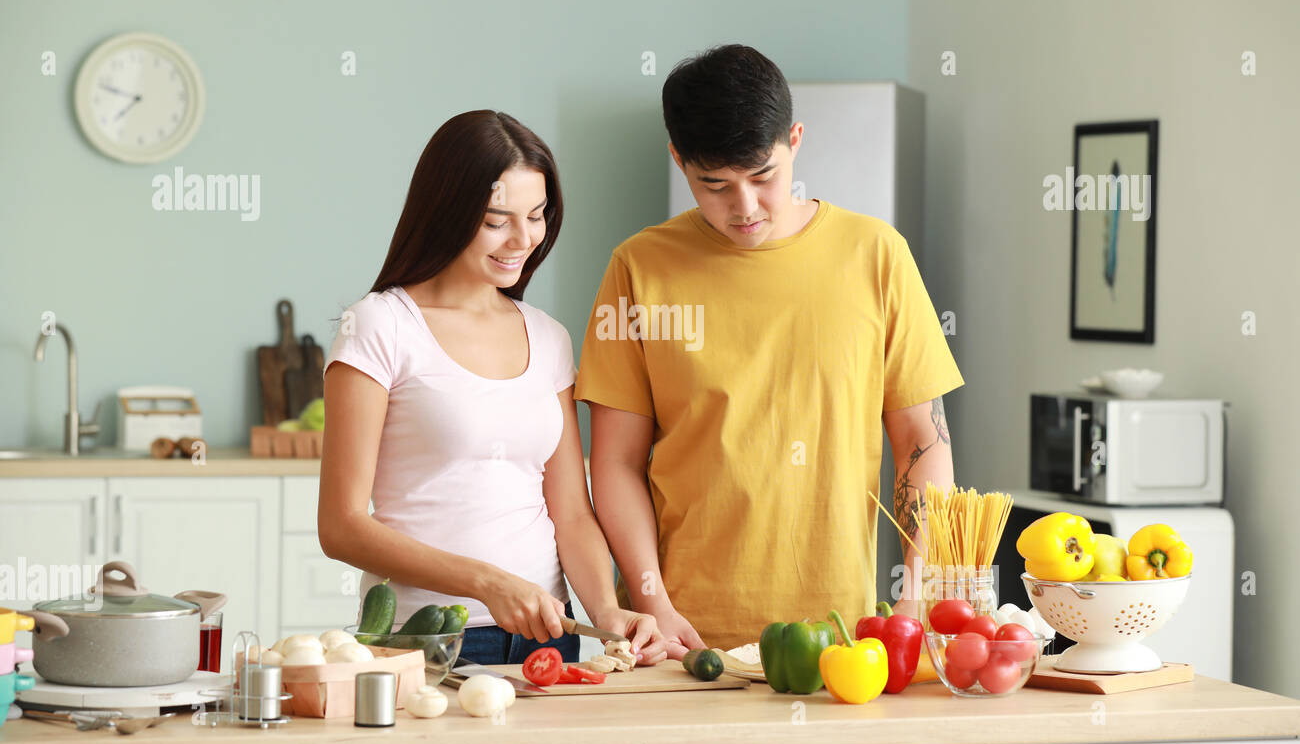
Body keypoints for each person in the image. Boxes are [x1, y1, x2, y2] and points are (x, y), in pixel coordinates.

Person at [575, 45, 963, 657]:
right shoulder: (638, 267)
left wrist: (914, 599)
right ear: (678, 159)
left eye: (764, 176)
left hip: (845, 643)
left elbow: (921, 440)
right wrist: (653, 604)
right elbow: (615, 463)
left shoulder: (877, 255)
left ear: (796, 141)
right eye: (715, 185)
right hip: (680, 643)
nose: (745, 207)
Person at [318, 110, 666, 667]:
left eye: (537, 215)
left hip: (552, 636)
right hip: (425, 639)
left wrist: (605, 611)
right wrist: (487, 583)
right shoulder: (380, 326)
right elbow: (341, 527)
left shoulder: (548, 337)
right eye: (496, 220)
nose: (523, 239)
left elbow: (571, 512)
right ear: (447, 212)